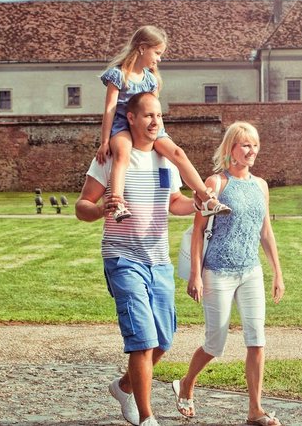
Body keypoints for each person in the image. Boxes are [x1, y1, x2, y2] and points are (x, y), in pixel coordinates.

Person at [76, 92, 199, 426]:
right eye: (148, 116)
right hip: (122, 257)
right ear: (130, 118)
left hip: (158, 260)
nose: (155, 121)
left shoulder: (165, 158)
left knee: (163, 340)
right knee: (142, 340)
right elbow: (81, 206)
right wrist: (102, 209)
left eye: (159, 116)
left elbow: (175, 201)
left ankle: (125, 386)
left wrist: (198, 203)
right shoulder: (114, 156)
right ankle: (147, 417)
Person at [173, 121, 285, 426]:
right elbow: (198, 232)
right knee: (215, 343)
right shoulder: (216, 183)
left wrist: (277, 271)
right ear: (231, 149)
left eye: (255, 145)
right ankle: (186, 383)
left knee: (257, 339)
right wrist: (195, 274)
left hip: (251, 271)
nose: (251, 151)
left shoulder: (260, 185)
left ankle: (255, 410)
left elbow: (266, 230)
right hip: (218, 272)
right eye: (245, 145)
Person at [97, 25, 229, 222]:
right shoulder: (118, 74)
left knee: (178, 153)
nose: (159, 59)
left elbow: (154, 109)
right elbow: (110, 109)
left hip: (149, 127)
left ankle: (206, 198)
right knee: (122, 154)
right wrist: (105, 141)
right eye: (157, 53)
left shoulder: (150, 79)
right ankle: (118, 204)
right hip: (123, 125)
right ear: (142, 48)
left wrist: (157, 128)